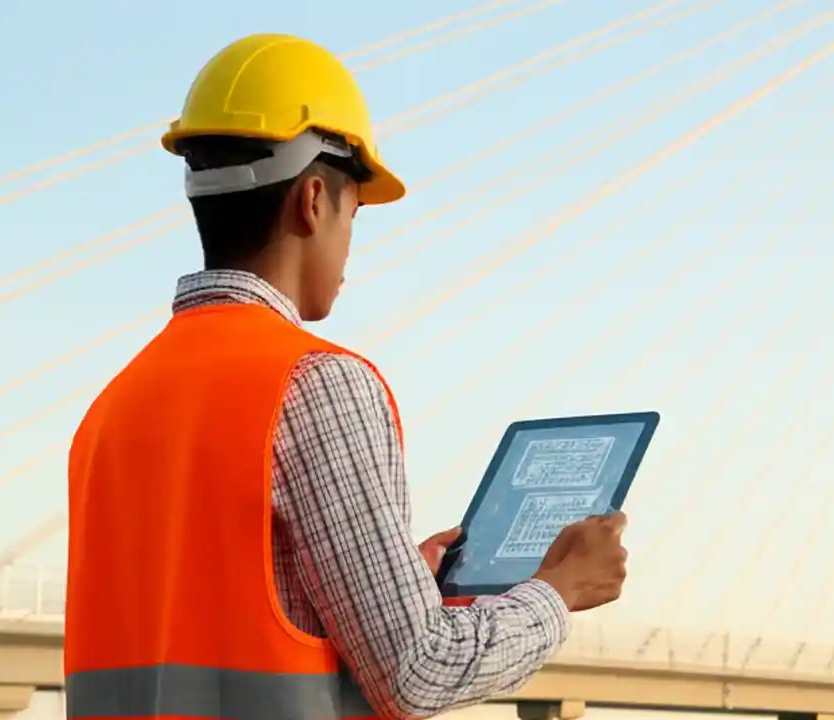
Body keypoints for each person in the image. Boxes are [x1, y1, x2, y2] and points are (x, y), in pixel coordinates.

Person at [64, 33, 629, 720]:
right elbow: (420, 672)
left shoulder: (114, 407)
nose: (350, 242)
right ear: (312, 200)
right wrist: (559, 589)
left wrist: (389, 585)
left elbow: (210, 624)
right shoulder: (315, 385)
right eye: (355, 211)